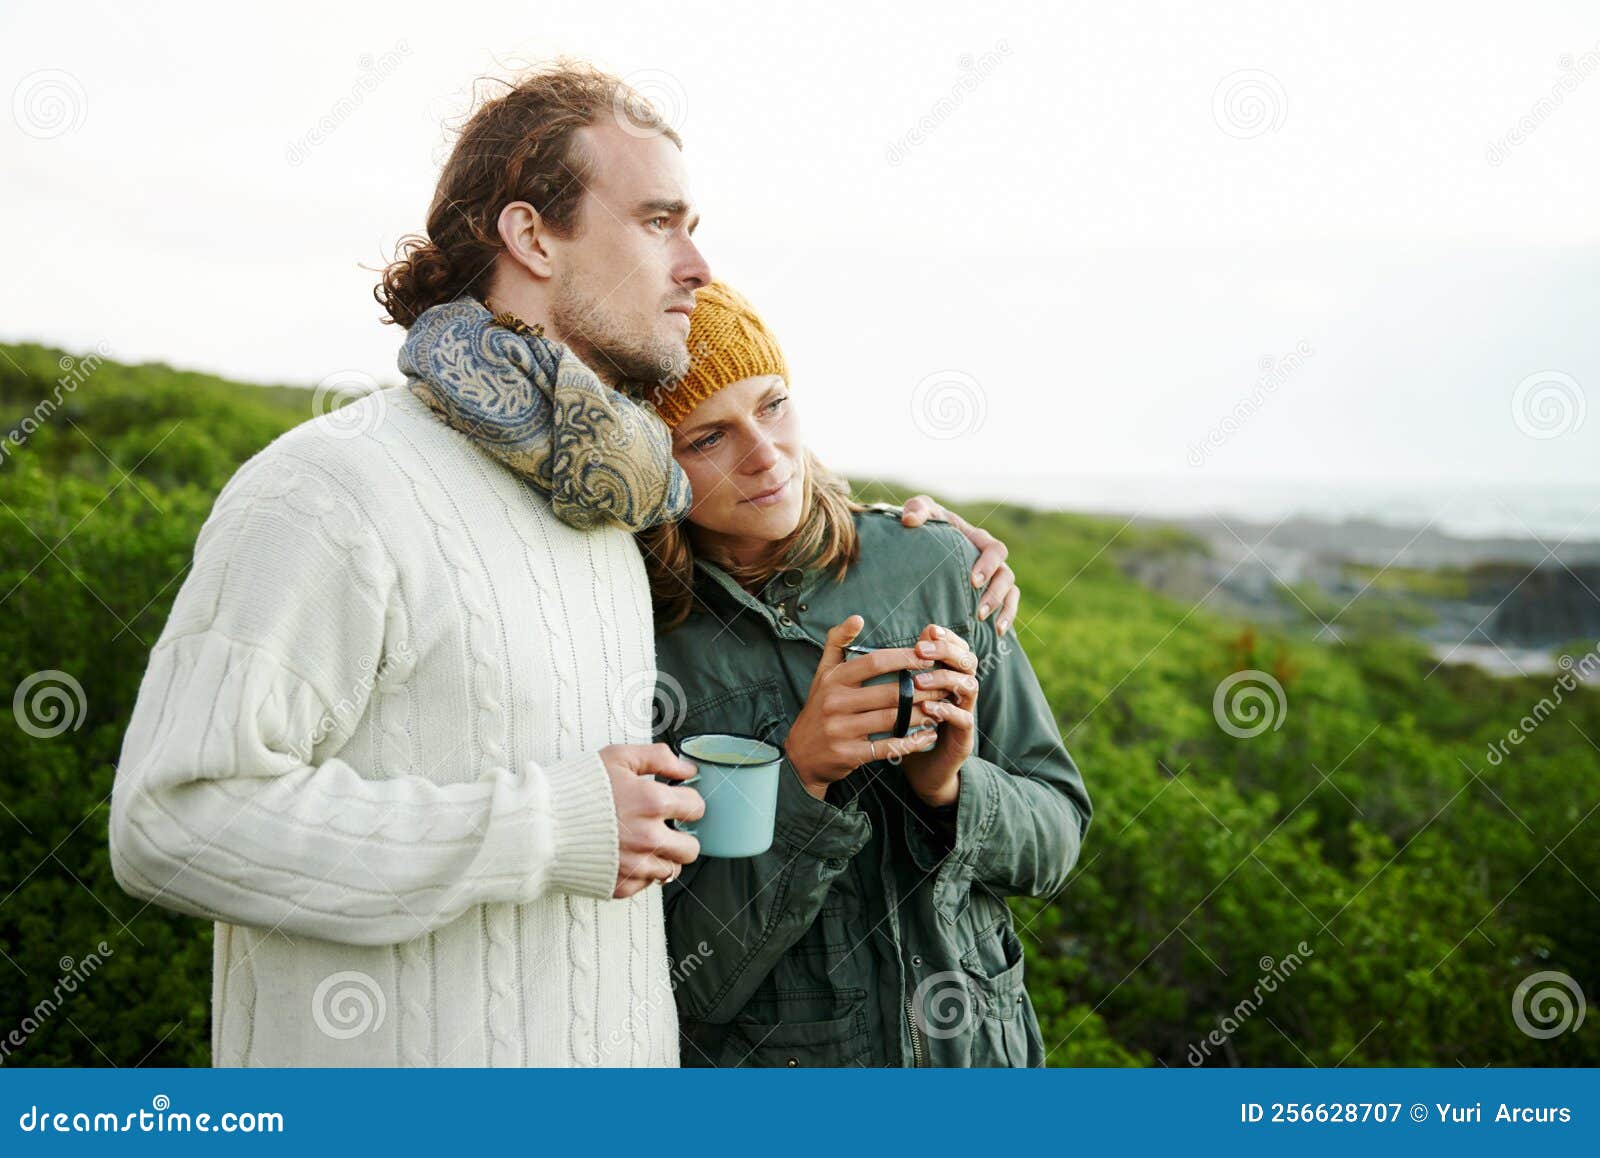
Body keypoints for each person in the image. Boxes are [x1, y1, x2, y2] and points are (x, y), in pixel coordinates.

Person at [107, 62, 1020, 1067]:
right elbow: (172, 822)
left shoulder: (609, 515)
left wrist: (912, 543)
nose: (697, 267)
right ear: (532, 237)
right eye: (659, 223)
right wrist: (549, 825)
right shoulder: (334, 488)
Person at [639, 282, 1093, 1067]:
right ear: (655, 466)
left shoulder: (936, 562)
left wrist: (949, 788)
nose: (764, 453)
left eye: (774, 405)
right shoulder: (641, 643)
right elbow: (688, 983)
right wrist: (800, 775)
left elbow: (1057, 840)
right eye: (708, 437)